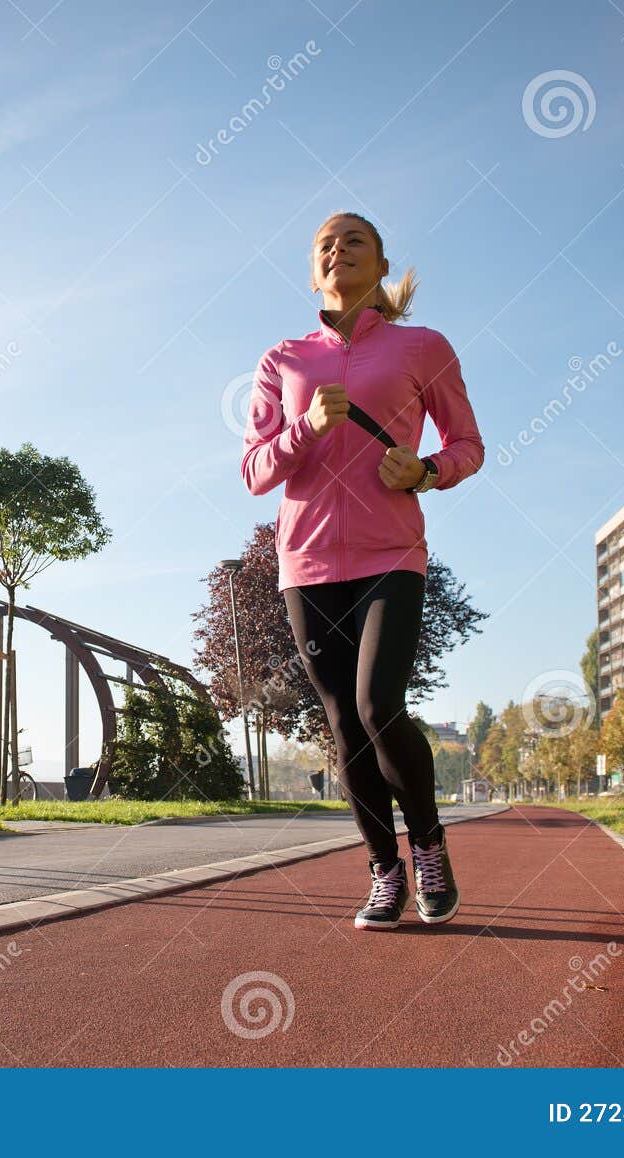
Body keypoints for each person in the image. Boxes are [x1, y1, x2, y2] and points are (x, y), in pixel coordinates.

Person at [240, 211, 484, 929]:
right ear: (314, 272)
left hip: (391, 554)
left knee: (380, 706)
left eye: (354, 241)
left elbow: (467, 442)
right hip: (307, 561)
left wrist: (429, 470)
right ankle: (385, 871)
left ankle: (430, 846)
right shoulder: (282, 360)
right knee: (344, 721)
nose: (337, 249)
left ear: (380, 263)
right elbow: (254, 471)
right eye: (325, 245)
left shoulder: (423, 347)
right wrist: (306, 428)